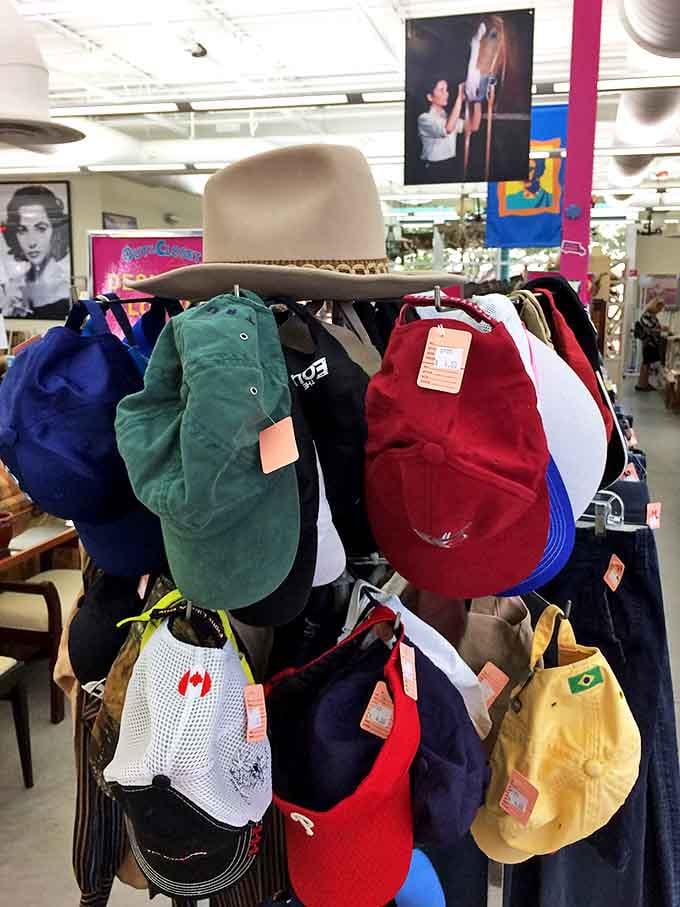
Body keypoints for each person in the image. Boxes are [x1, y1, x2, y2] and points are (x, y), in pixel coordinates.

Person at [2, 185, 70, 319]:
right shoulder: (12, 286)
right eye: (22, 230)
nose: (31, 242)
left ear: (55, 231)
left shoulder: (64, 288)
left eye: (41, 228)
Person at [417, 78, 466, 167]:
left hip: (450, 165)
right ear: (430, 97)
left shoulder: (448, 117)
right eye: (441, 90)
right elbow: (448, 129)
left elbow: (473, 126)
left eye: (446, 90)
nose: (446, 93)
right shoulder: (424, 119)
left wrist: (476, 99)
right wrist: (459, 98)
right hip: (434, 169)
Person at [634, 297, 668, 391]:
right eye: (660, 308)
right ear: (655, 306)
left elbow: (654, 327)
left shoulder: (652, 315)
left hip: (651, 342)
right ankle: (641, 384)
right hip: (648, 342)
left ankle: (644, 383)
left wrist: (660, 328)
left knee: (647, 363)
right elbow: (648, 328)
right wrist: (661, 329)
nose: (660, 310)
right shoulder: (647, 315)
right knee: (646, 363)